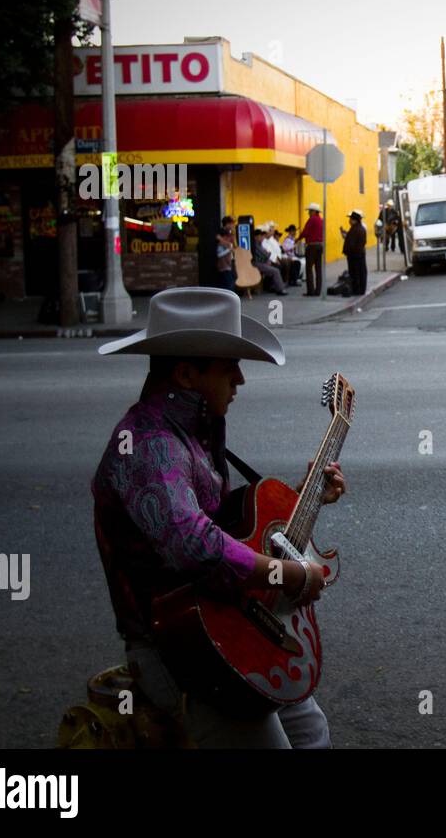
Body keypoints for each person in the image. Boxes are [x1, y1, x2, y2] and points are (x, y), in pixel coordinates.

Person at [92, 287, 347, 747]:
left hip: (228, 626)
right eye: (229, 365)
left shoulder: (191, 432)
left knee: (313, 734)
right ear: (187, 373)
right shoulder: (148, 445)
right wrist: (288, 574)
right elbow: (193, 544)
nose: (240, 379)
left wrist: (307, 498)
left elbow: (227, 527)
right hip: (179, 651)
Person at [250, 227, 287, 294]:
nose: (262, 238)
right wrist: (267, 254)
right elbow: (266, 254)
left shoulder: (259, 244)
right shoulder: (255, 245)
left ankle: (275, 285)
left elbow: (266, 254)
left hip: (261, 262)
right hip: (257, 263)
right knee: (275, 271)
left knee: (276, 267)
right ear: (256, 237)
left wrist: (267, 255)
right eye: (260, 236)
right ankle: (280, 289)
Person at [301, 202, 325, 296]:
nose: (309, 213)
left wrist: (298, 239)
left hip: (312, 246)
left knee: (309, 268)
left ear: (314, 211)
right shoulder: (320, 220)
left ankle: (310, 290)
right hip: (320, 245)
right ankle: (318, 290)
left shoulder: (312, 219)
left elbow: (305, 232)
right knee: (318, 269)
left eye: (310, 211)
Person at [342, 209, 367, 296]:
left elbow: (351, 243)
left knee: (354, 273)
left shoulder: (355, 229)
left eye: (350, 219)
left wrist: (347, 251)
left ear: (354, 220)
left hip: (354, 255)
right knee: (361, 272)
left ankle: (357, 290)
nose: (349, 221)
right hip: (360, 253)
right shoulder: (361, 228)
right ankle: (361, 289)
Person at [215, 227, 236, 292]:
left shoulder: (227, 244)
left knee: (230, 283)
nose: (228, 238)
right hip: (224, 267)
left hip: (228, 266)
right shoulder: (221, 245)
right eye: (227, 236)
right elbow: (219, 255)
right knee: (229, 284)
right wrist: (228, 250)